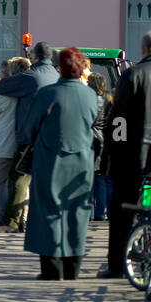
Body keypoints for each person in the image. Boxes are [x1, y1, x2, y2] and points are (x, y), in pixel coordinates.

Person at [21, 47, 99, 280]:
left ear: (60, 67)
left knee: (49, 210)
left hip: (50, 159)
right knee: (77, 211)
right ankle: (72, 268)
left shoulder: (47, 94)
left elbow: (29, 128)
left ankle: (51, 270)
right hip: (82, 161)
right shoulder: (91, 95)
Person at [103, 29, 151, 278]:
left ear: (143, 50)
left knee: (122, 212)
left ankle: (118, 265)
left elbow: (118, 119)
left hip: (132, 157)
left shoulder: (131, 75)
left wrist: (115, 151)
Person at [0, 42, 58, 232]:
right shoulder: (56, 75)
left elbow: (2, 87)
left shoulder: (31, 76)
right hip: (51, 136)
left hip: (30, 137)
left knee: (18, 176)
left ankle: (11, 221)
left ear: (35, 56)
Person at [0, 56, 29, 232]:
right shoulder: (30, 90)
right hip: (24, 143)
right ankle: (23, 217)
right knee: (23, 183)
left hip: (4, 144)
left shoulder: (6, 92)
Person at [89, 70, 112, 222]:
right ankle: (102, 211)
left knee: (93, 179)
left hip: (92, 140)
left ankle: (93, 212)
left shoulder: (90, 100)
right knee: (103, 178)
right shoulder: (108, 101)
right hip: (104, 141)